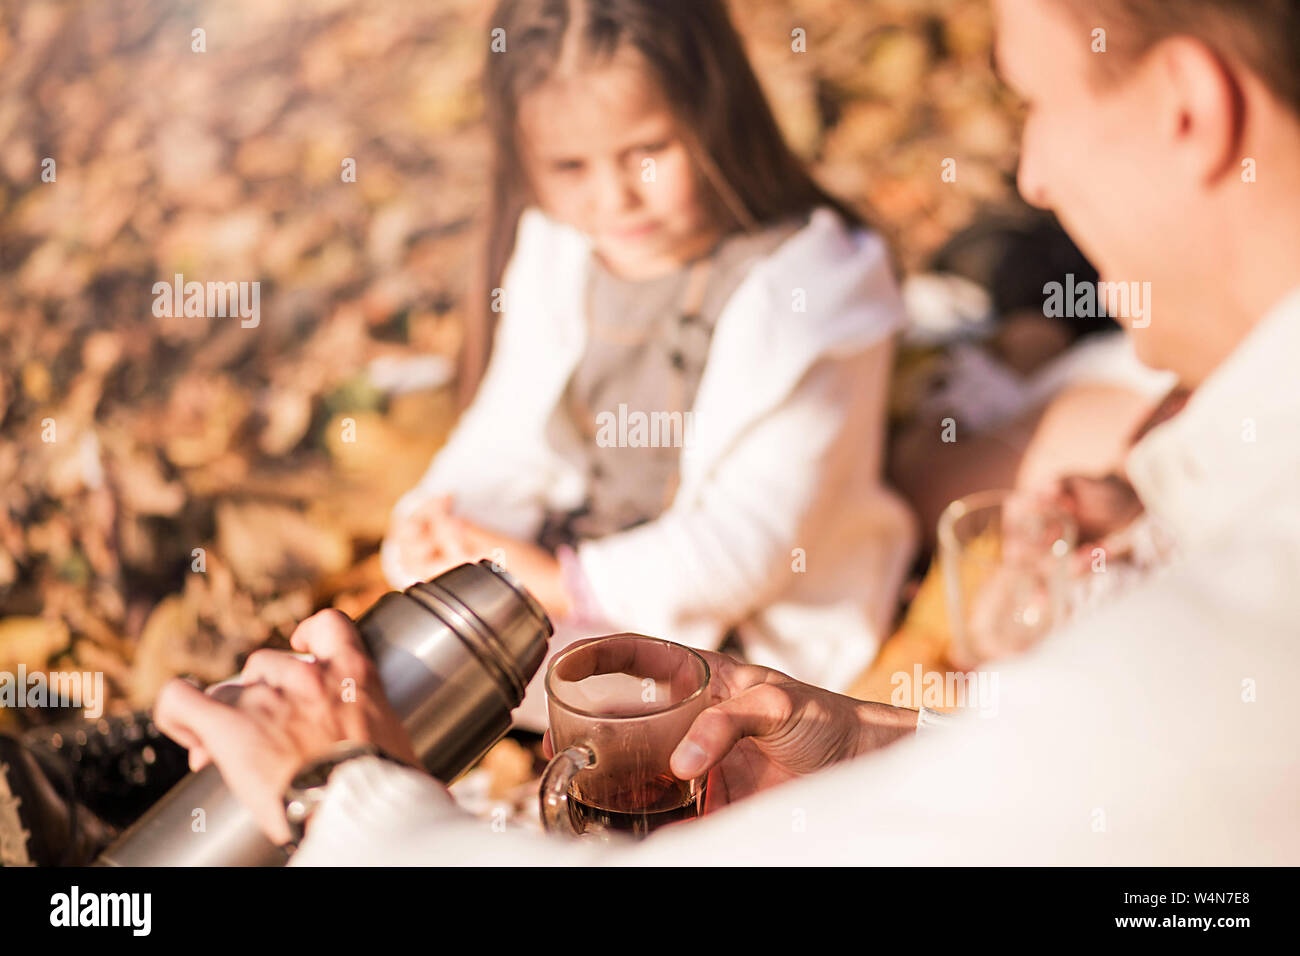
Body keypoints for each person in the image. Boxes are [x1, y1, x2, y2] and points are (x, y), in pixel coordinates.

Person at [155, 0, 1300, 864]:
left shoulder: (1209, 659)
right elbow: (1037, 786)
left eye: (1036, 101)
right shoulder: (1208, 605)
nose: (1036, 171)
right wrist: (869, 749)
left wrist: (337, 791)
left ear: (1188, 110)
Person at [378, 0, 917, 729]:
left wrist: (559, 582)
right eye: (570, 166)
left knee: (531, 694)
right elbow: (506, 426)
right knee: (418, 658)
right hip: (577, 582)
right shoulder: (562, 248)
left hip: (736, 628)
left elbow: (751, 544)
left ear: (715, 113)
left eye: (647, 152)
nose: (614, 197)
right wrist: (447, 520)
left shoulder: (810, 295)